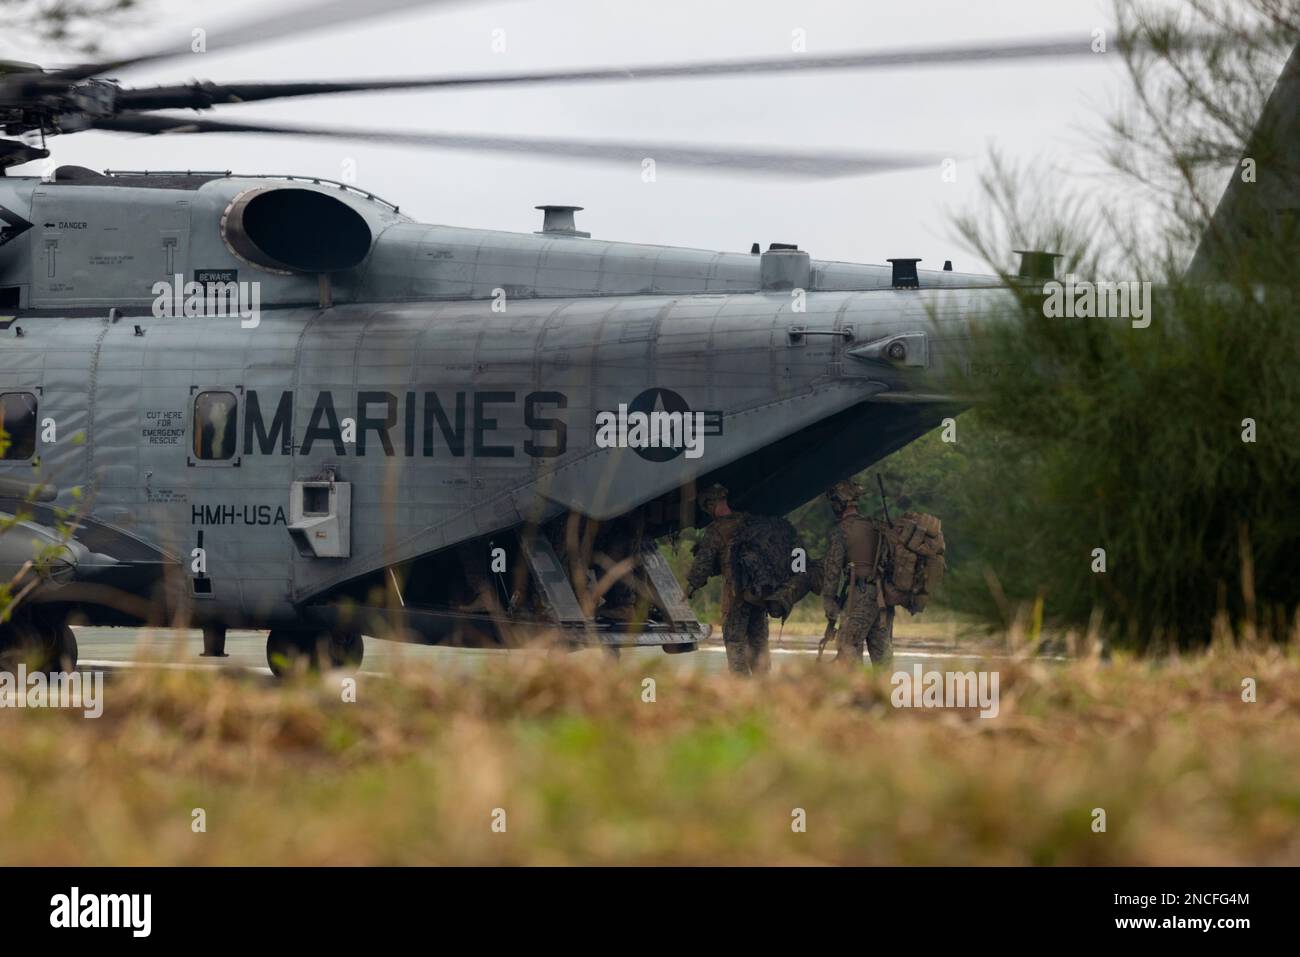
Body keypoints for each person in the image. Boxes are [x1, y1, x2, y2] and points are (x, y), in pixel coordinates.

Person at [686, 484, 770, 676]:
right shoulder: (749, 522)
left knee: (734, 641)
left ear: (710, 505)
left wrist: (690, 587)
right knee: (759, 641)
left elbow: (703, 565)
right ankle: (765, 686)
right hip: (759, 593)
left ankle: (741, 687)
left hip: (736, 594)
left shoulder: (716, 530)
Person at [821, 479, 891, 668]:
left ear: (839, 504)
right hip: (882, 598)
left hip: (859, 595)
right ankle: (885, 693)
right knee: (882, 655)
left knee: (848, 648)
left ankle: (858, 693)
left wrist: (828, 598)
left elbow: (833, 569)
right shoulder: (876, 527)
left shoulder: (841, 531)